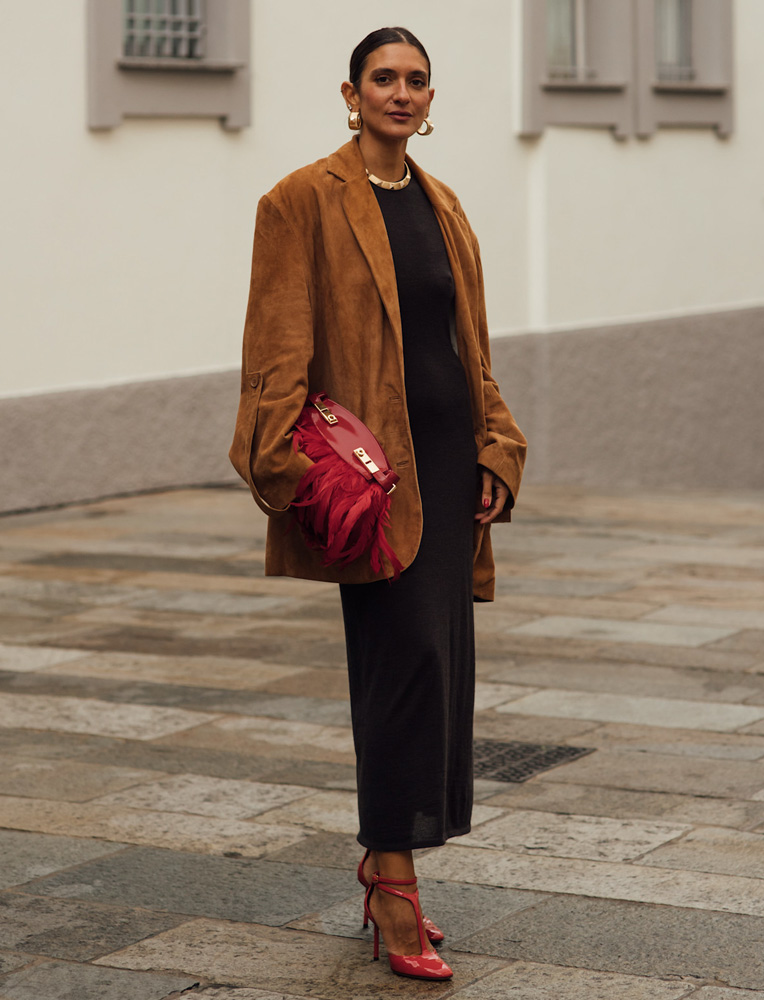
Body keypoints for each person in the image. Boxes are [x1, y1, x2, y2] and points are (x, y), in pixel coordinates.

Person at [229, 26, 527, 982]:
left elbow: (469, 350)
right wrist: (286, 474)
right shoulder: (301, 202)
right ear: (350, 93)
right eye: (384, 79)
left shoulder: (445, 209)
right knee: (399, 669)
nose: (402, 94)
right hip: (373, 479)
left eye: (417, 81)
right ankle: (392, 882)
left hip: (448, 470)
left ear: (430, 102)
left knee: (439, 668)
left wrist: (494, 449)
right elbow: (275, 350)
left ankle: (387, 858)